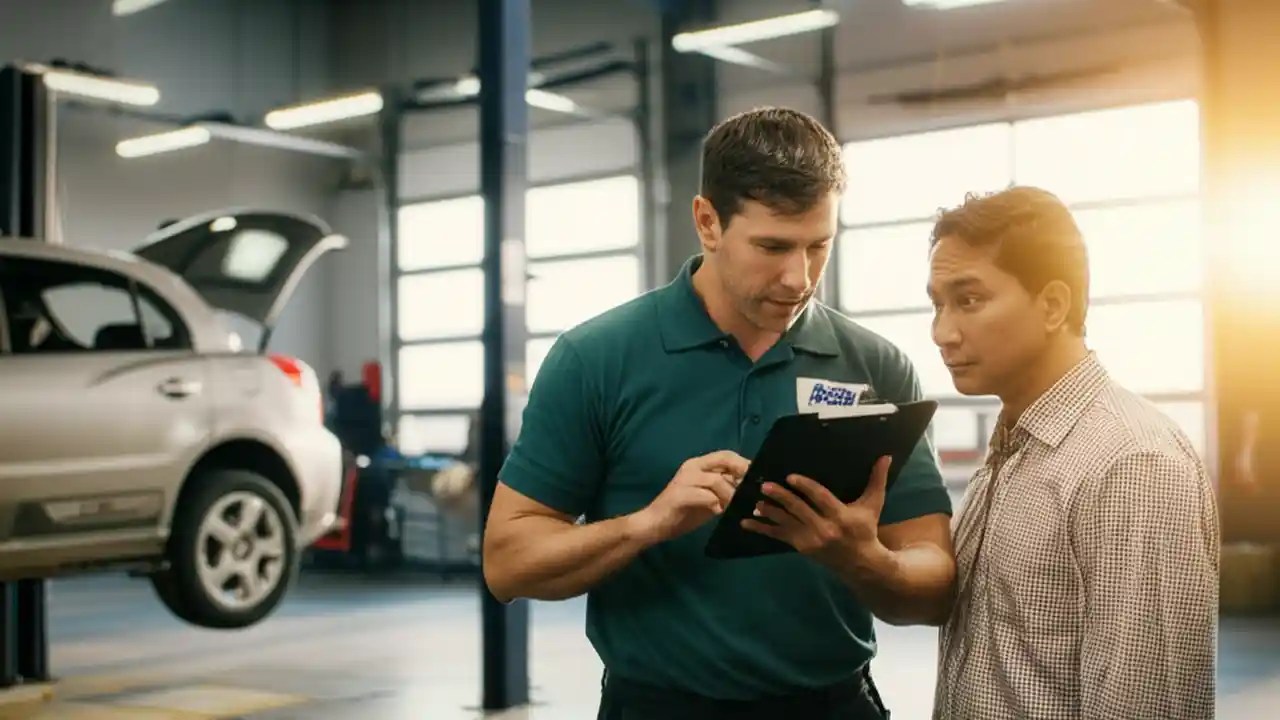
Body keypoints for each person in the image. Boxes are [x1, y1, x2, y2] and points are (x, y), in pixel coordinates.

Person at [482, 106, 957, 720]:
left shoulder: (875, 366)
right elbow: (508, 564)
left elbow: (934, 584)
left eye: (819, 246)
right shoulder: (596, 360)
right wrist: (646, 524)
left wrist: (862, 557)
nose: (799, 278)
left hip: (833, 706)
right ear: (708, 222)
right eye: (772, 246)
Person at [927, 187, 1219, 720]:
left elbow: (1143, 706)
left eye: (968, 301)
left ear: (1053, 306)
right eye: (937, 305)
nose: (941, 332)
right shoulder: (1014, 449)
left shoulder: (1133, 464)